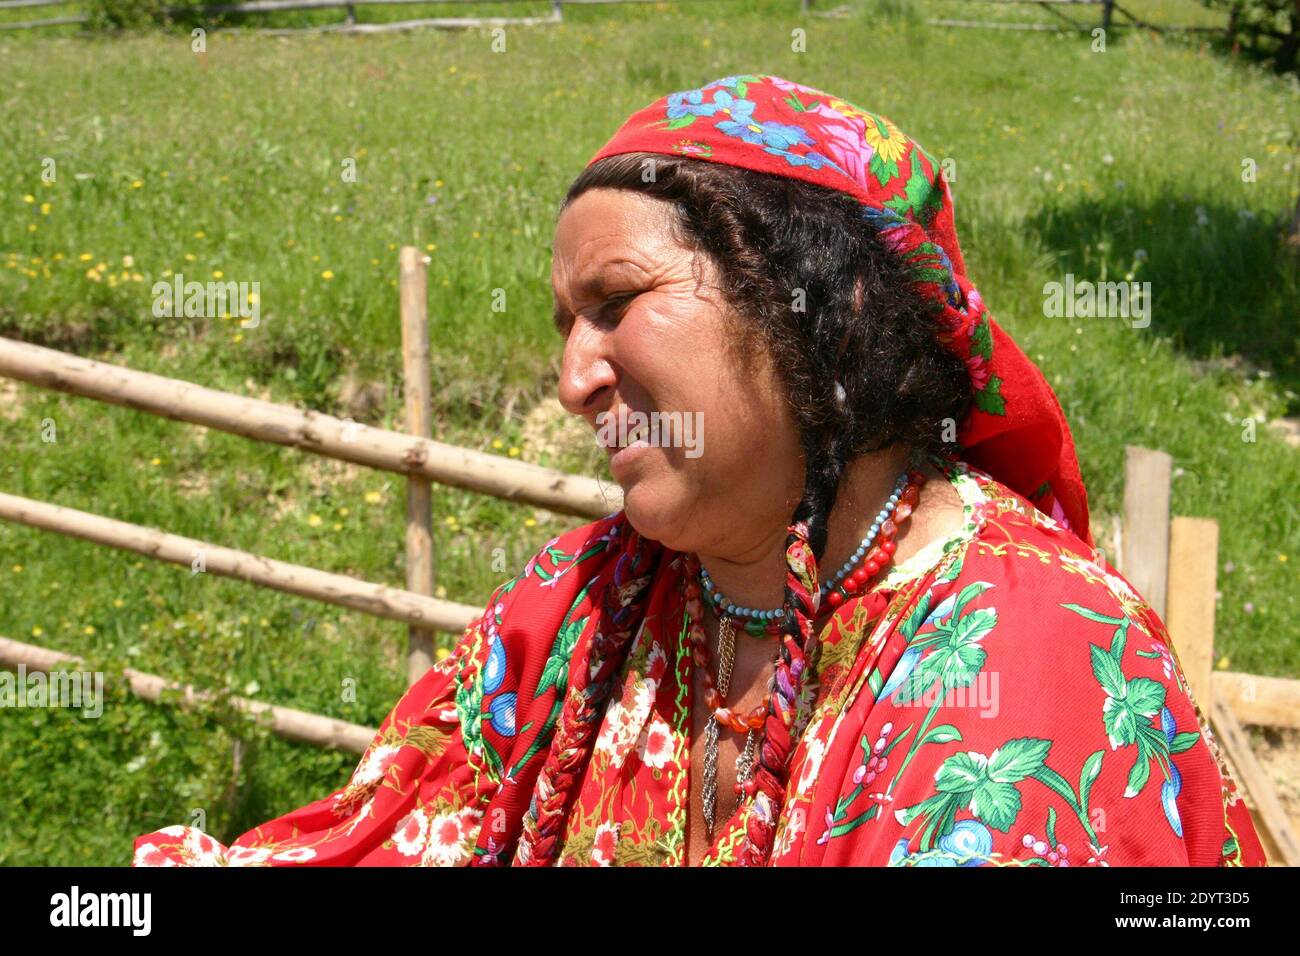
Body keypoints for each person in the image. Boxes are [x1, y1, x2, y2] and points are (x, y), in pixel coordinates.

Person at [132, 74, 1266, 867]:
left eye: (618, 303)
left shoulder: (1031, 654)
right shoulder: (582, 606)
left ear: (827, 306)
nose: (575, 375)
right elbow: (380, 841)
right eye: (569, 322)